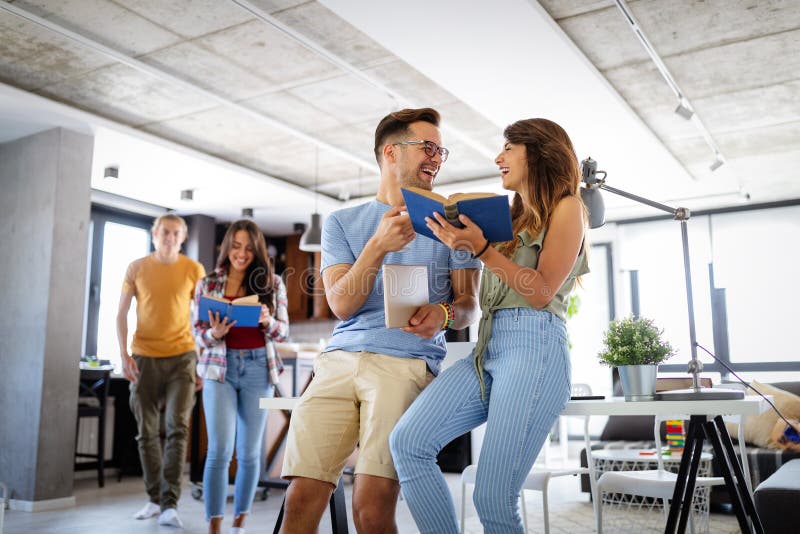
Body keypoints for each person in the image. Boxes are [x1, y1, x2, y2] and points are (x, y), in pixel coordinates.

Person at [279, 107, 481, 533]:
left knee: (370, 509)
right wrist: (378, 246)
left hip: (405, 363)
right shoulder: (341, 223)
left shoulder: (453, 221)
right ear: (391, 152)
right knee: (300, 500)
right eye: (427, 148)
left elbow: (469, 304)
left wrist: (444, 313)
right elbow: (341, 305)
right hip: (337, 362)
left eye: (440, 151)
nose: (436, 158)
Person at [390, 118, 590, 533]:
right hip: (488, 347)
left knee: (492, 497)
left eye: (508, 149)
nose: (498, 158)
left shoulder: (569, 207)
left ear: (538, 153)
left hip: (535, 347)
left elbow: (541, 292)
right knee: (407, 442)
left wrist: (481, 249)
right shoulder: (511, 217)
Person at [192, 219, 289, 534]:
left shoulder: (272, 283)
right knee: (219, 450)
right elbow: (197, 333)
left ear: (257, 250)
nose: (242, 253)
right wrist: (215, 333)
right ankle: (215, 526)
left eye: (248, 248)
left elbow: (283, 332)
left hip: (259, 369)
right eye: (236, 246)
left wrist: (268, 320)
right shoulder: (208, 283)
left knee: (248, 453)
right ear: (227, 248)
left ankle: (239, 525)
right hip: (219, 369)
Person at [117, 213, 206, 528]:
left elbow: (202, 317)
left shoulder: (193, 269)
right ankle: (154, 499)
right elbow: (121, 313)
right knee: (147, 431)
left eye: (176, 233)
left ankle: (170, 504)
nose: (170, 237)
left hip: (183, 357)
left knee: (177, 427)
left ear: (183, 238)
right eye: (165, 231)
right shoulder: (136, 268)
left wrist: (202, 360)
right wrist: (123, 355)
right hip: (144, 357)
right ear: (155, 234)